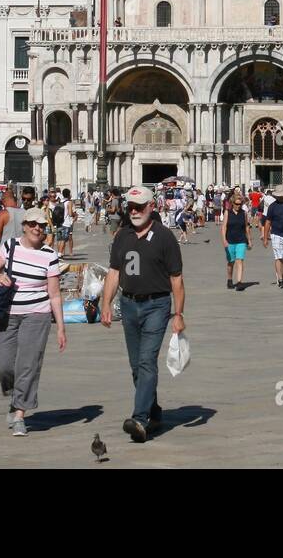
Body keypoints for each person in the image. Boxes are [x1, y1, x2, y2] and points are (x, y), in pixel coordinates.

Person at [99, 186, 185, 443]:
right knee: (136, 366)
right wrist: (106, 303)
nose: (134, 211)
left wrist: (178, 314)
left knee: (147, 362)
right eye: (131, 207)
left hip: (157, 305)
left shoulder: (165, 237)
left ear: (152, 206)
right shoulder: (122, 235)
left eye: (139, 206)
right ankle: (154, 412)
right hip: (128, 304)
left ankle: (139, 418)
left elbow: (177, 279)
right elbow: (114, 272)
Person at [0, 207, 67, 436]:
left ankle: (20, 413)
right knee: (1, 363)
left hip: (37, 314)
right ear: (24, 225)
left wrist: (60, 326)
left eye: (41, 225)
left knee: (28, 364)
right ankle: (15, 394)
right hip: (8, 313)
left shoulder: (50, 255)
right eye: (32, 224)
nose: (36, 228)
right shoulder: (10, 246)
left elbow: (54, 294)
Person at [221, 187, 250, 290]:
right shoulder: (227, 213)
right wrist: (224, 240)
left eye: (240, 204)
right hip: (230, 241)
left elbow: (246, 227)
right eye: (236, 204)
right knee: (231, 262)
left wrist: (249, 240)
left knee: (240, 260)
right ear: (232, 203)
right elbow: (224, 227)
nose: (238, 206)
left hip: (241, 240)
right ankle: (229, 279)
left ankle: (239, 282)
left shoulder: (244, 213)